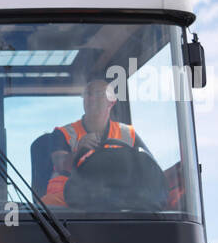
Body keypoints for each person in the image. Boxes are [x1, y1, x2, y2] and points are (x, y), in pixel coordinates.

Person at [36, 77, 146, 208]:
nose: (92, 98)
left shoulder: (128, 134)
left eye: (99, 94)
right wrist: (78, 151)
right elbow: (61, 166)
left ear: (111, 101)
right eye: (88, 94)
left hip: (117, 199)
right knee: (44, 206)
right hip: (67, 202)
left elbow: (148, 167)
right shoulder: (63, 133)